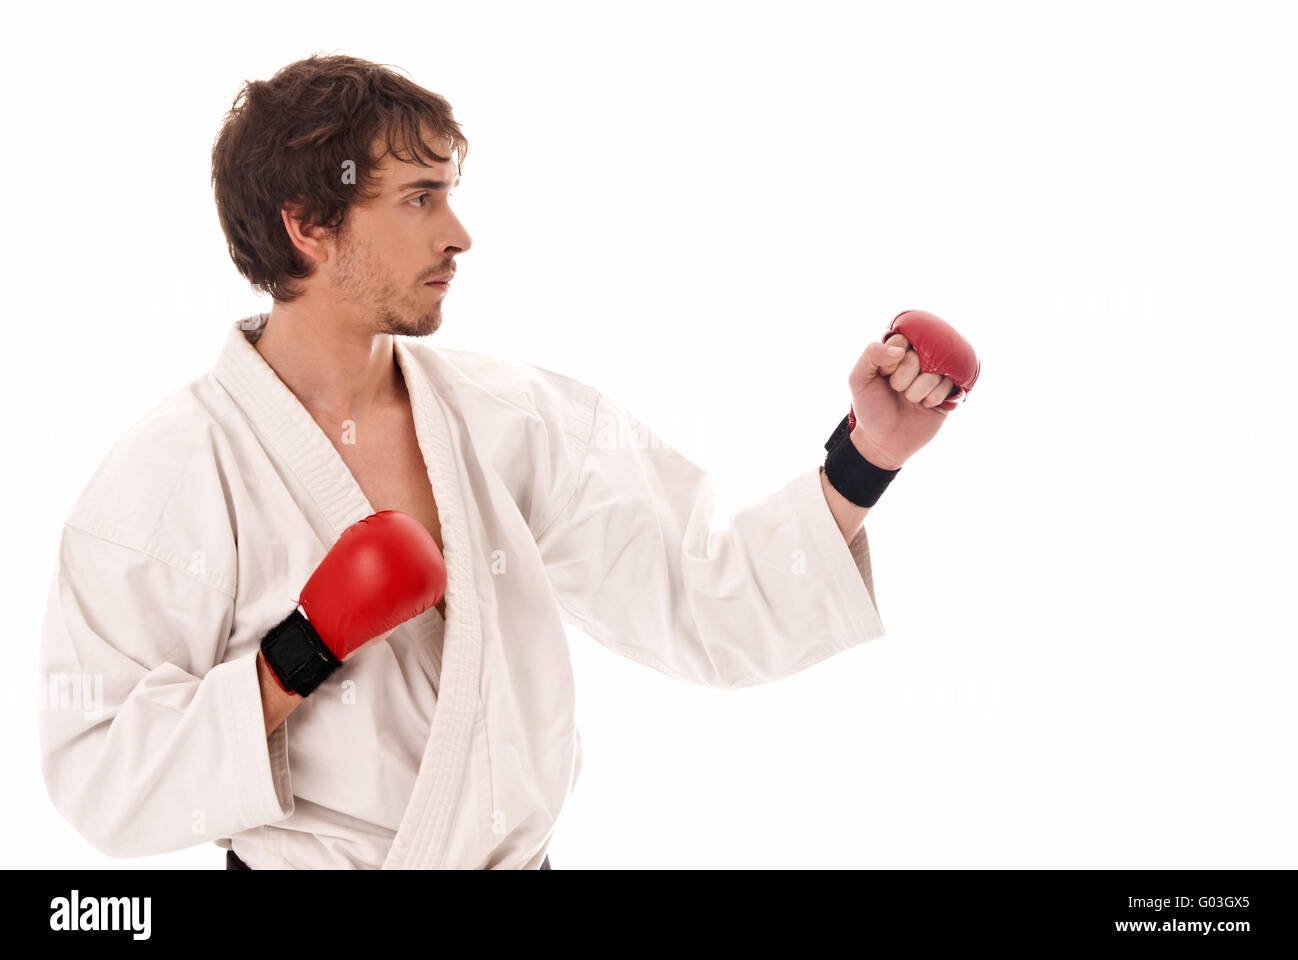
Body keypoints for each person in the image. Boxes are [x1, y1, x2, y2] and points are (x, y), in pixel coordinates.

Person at [36, 54, 977, 870]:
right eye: (419, 199)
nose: (459, 234)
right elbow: (97, 769)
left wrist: (867, 457)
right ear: (309, 227)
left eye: (449, 193)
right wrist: (301, 650)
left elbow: (697, 594)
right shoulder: (172, 470)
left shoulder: (506, 416)